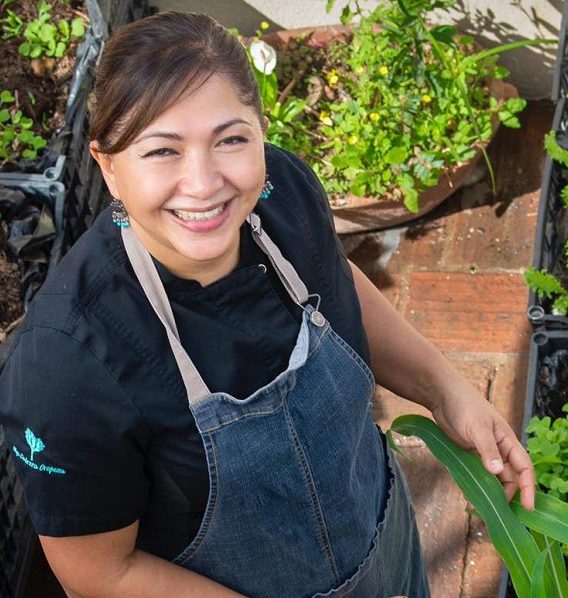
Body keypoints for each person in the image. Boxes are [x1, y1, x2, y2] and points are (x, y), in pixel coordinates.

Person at [0, 11, 535, 597]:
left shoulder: (282, 191)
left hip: (384, 544)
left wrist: (446, 390)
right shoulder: (64, 363)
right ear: (106, 164)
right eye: (162, 151)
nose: (204, 184)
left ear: (260, 131)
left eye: (230, 140)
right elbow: (96, 569)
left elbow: (337, 284)